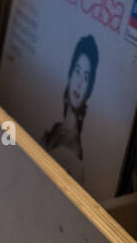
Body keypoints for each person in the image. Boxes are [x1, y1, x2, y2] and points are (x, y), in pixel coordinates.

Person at [42, 36, 98, 185]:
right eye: (77, 71)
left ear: (89, 88)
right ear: (70, 74)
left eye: (86, 78)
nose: (79, 83)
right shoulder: (56, 128)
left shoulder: (74, 149)